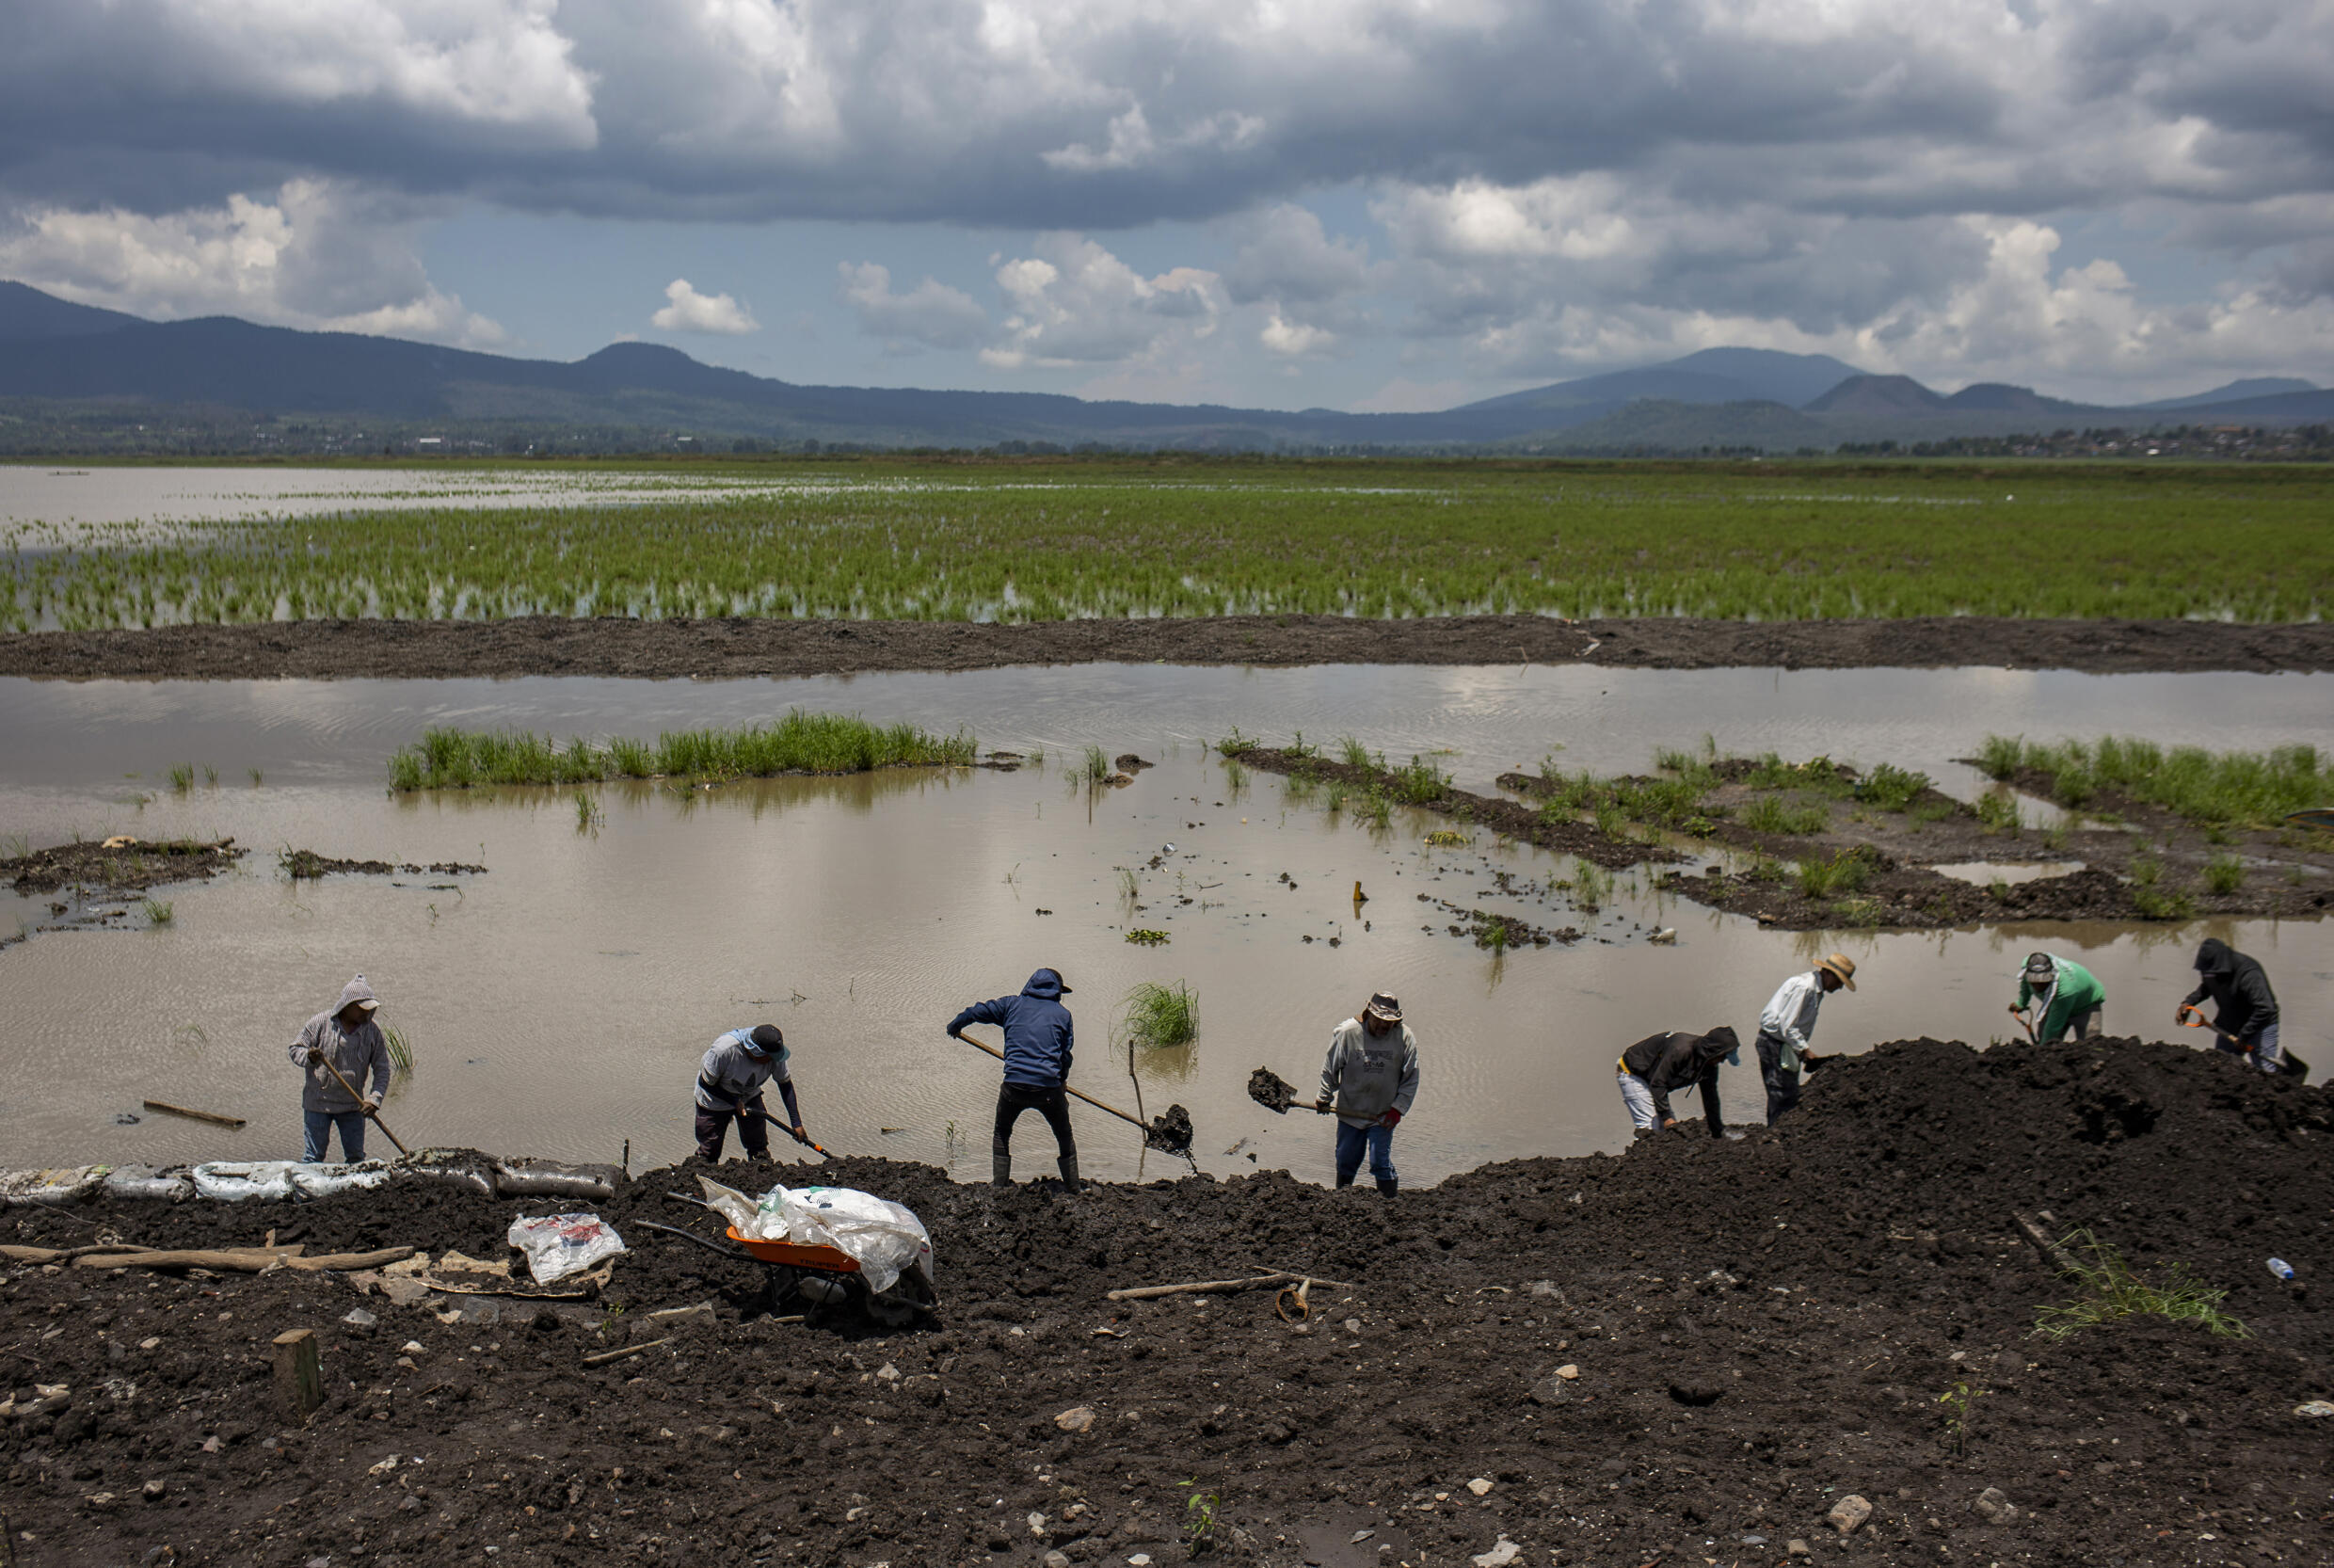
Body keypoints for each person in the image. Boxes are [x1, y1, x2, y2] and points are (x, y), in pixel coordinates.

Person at [948, 968, 1079, 1192]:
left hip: (1014, 1087)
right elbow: (1065, 1057)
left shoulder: (1011, 1005)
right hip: (1048, 1089)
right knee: (1064, 1135)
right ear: (1057, 992)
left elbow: (977, 1011)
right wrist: (1062, 1084)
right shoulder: (1063, 1015)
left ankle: (999, 1186)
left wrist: (956, 1025)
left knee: (1001, 1132)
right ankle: (1074, 1188)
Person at [1314, 992, 1419, 1195]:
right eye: (1378, 1021)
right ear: (1368, 1014)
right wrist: (1324, 1097)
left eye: (1388, 1023)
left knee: (1379, 1161)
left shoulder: (1405, 1037)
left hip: (1383, 1114)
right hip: (1350, 1110)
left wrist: (1397, 1109)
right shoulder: (1347, 1033)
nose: (1383, 1027)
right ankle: (1342, 1201)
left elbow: (1411, 1077)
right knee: (1346, 1160)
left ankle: (1390, 1204)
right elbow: (1330, 1068)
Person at [289, 973, 391, 1163]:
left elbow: (383, 1068)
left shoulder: (372, 1031)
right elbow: (295, 1049)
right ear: (348, 1005)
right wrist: (310, 1057)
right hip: (318, 1103)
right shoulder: (320, 1022)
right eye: (362, 1009)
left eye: (369, 1010)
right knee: (313, 1158)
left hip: (353, 1106)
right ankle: (306, 1192)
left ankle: (354, 1192)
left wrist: (374, 1100)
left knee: (356, 1158)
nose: (366, 1014)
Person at [1754, 952, 1857, 1125]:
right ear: (1828, 973)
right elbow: (1788, 1025)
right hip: (1774, 1043)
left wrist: (1801, 1050)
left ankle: (1777, 1133)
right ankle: (1775, 1136)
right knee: (1780, 1094)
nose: (1839, 988)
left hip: (1784, 1044)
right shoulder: (1805, 987)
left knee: (1788, 1093)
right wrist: (1805, 1050)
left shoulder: (1815, 990)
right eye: (1839, 982)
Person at [694, 1024, 806, 1161]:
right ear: (756, 1052)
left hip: (749, 1094)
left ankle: (760, 1171)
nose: (772, 1062)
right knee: (710, 1150)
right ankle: (703, 1170)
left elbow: (785, 1085)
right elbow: (705, 1083)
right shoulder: (724, 1050)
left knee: (758, 1147)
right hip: (714, 1097)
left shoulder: (775, 1054)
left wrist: (796, 1123)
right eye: (768, 1058)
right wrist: (735, 1102)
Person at [1617, 1027, 1741, 1139]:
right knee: (1650, 1128)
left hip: (1653, 1078)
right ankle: (1638, 1159)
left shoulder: (1709, 1065)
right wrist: (1666, 1118)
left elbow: (1710, 1097)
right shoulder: (1681, 1050)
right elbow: (1658, 1083)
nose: (1723, 1061)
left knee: (1669, 1133)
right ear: (1712, 1052)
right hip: (1633, 1073)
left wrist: (1717, 1131)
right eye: (1723, 1056)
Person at [2180, 938, 2282, 1073]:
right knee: (2221, 1068)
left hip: (2261, 1026)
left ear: (2222, 967)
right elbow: (2207, 987)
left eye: (2211, 974)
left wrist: (2244, 1036)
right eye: (2205, 974)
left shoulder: (2249, 973)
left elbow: (2265, 1008)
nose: (2208, 976)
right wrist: (2188, 1002)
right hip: (2230, 1024)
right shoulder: (2211, 972)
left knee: (2265, 1073)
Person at [2015, 952, 2105, 1042]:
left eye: (2043, 980)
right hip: (2057, 1002)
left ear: (2052, 975)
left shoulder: (2064, 991)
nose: (2038, 986)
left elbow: (2052, 1028)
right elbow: (2025, 983)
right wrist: (2021, 1003)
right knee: (2043, 1034)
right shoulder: (2028, 964)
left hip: (2086, 1006)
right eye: (2033, 980)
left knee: (2091, 1043)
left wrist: (2042, 1050)